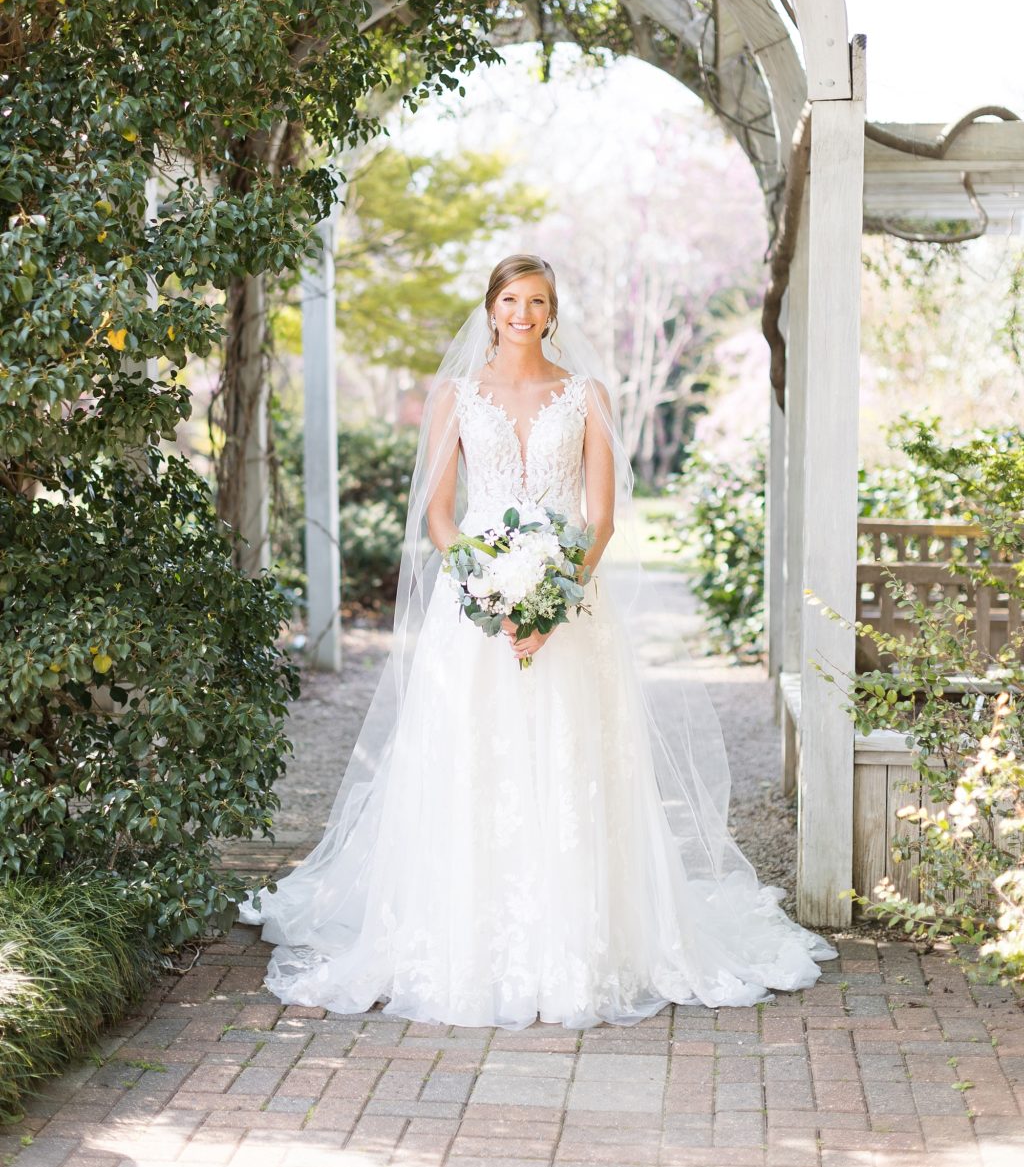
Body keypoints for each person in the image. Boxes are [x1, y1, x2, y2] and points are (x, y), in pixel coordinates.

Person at [238, 253, 837, 1028]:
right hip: (476, 611)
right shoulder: (454, 396)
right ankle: (464, 932)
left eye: (538, 300)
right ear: (491, 308)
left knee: (570, 760)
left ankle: (584, 937)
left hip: (570, 609)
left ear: (553, 311)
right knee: (472, 761)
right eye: (512, 299)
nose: (524, 312)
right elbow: (440, 515)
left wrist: (555, 597)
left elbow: (602, 518)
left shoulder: (586, 395)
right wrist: (486, 583)